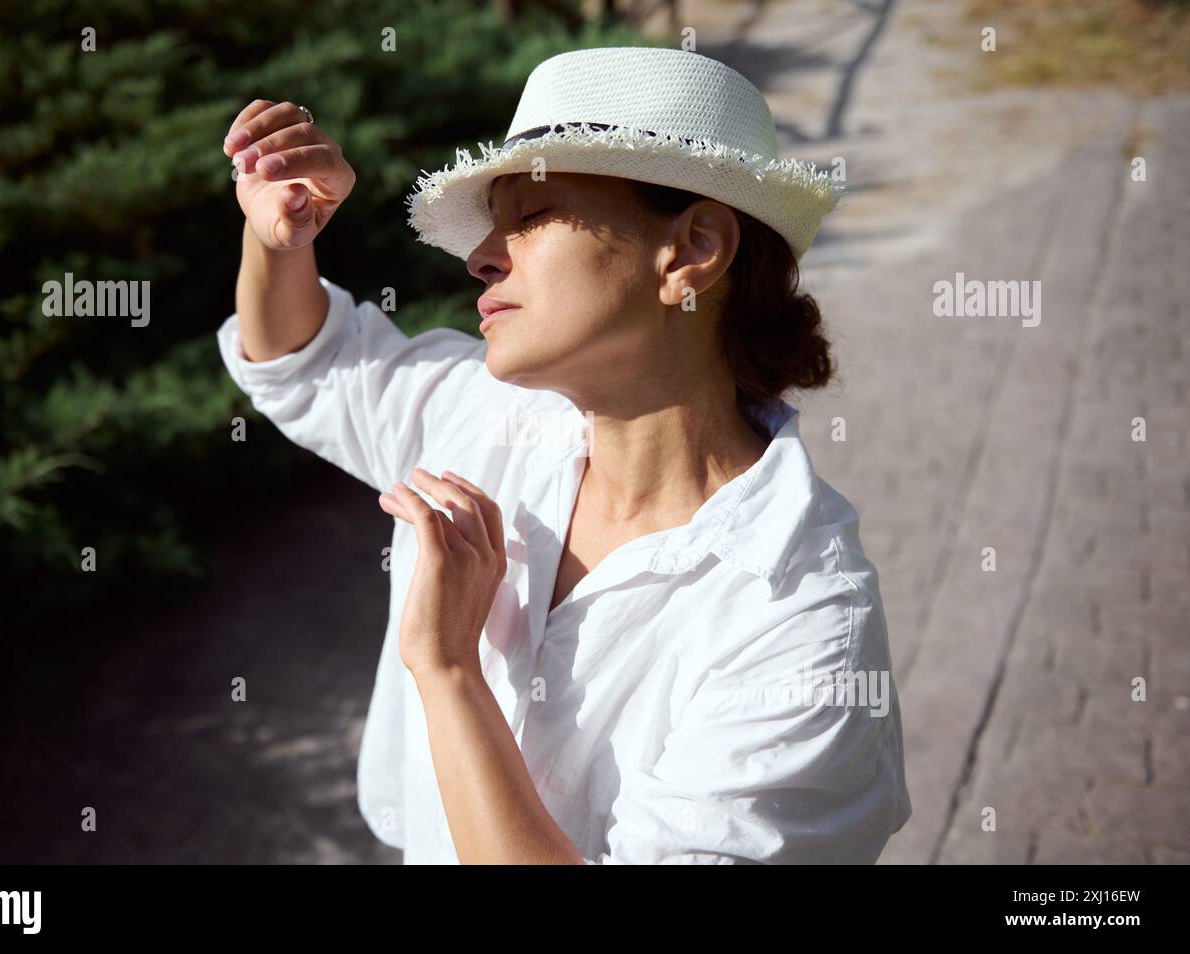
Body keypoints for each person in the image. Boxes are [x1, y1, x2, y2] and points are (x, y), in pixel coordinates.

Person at [216, 46, 912, 864]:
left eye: (532, 215)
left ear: (691, 249)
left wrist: (449, 677)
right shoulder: (490, 416)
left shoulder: (802, 624)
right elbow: (306, 363)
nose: (481, 255)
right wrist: (279, 242)